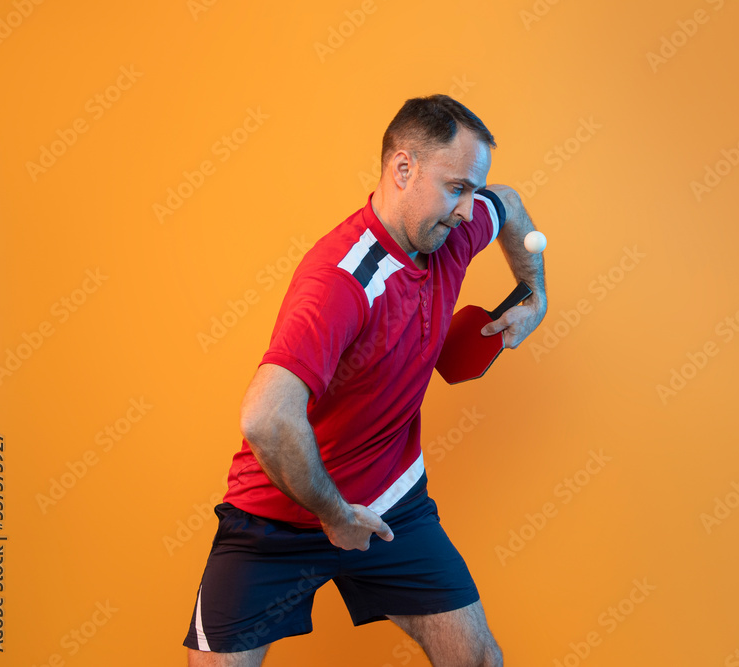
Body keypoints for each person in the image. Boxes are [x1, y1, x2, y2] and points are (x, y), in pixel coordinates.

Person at [183, 93, 547, 666]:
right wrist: (333, 514)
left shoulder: (452, 233)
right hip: (278, 515)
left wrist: (534, 294)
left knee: (477, 660)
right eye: (457, 188)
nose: (467, 209)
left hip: (390, 501)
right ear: (403, 168)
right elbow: (265, 417)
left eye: (473, 190)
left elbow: (512, 206)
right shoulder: (341, 280)